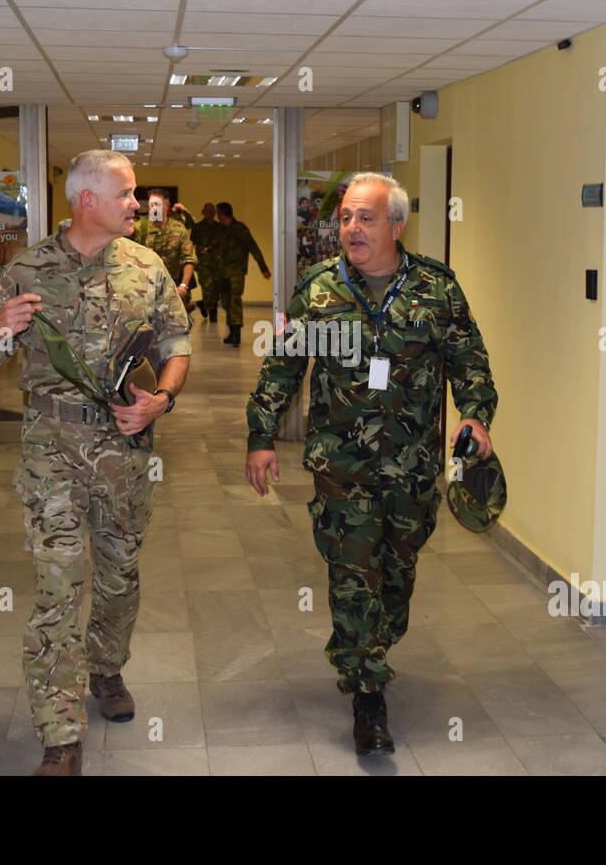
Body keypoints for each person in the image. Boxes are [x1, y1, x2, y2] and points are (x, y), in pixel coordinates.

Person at [243, 172, 497, 757]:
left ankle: (374, 647)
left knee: (398, 577)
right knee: (353, 576)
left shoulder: (437, 288)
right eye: (347, 218)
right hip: (341, 466)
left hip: (412, 467)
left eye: (366, 218)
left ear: (396, 225)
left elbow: (471, 361)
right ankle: (366, 691)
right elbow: (283, 365)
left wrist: (477, 415)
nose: (351, 229)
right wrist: (260, 436)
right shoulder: (318, 287)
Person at [0, 149, 191, 776]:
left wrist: (160, 401)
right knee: (57, 588)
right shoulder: (26, 269)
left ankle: (107, 667)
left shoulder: (148, 267)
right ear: (88, 200)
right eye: (127, 194)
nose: (137, 203)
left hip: (125, 454)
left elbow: (176, 345)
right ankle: (60, 735)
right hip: (51, 453)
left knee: (120, 576)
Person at [212, 201, 270, 345]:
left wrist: (263, 268)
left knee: (235, 301)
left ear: (223, 213)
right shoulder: (220, 230)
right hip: (222, 273)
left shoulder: (240, 229)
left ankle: (236, 334)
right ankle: (232, 331)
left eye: (217, 212)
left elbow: (253, 248)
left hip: (236, 272)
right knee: (226, 303)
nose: (216, 215)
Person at [133, 187, 198, 311]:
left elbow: (188, 259)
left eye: (157, 204)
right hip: (146, 290)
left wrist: (183, 286)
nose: (153, 208)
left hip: (172, 289)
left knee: (175, 328)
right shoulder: (140, 228)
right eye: (151, 204)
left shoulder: (178, 229)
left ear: (167, 206)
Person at [189, 202, 222, 322]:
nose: (210, 214)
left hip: (217, 263)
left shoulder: (220, 227)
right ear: (203, 212)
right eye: (208, 211)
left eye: (212, 211)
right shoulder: (198, 227)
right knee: (207, 288)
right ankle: (213, 313)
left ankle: (203, 303)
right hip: (203, 263)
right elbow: (192, 243)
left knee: (218, 289)